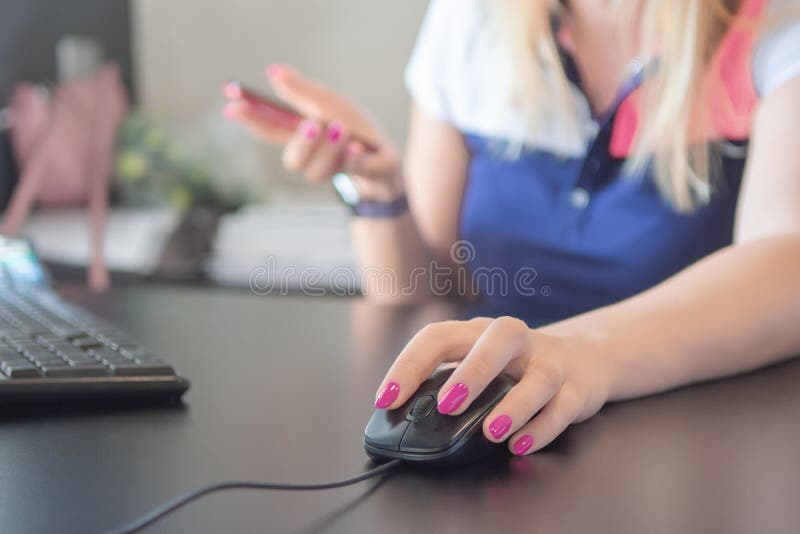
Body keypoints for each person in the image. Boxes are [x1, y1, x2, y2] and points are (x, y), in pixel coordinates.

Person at [224, 0, 800, 456]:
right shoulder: (473, 17)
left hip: (699, 444)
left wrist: (580, 352)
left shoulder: (777, 26)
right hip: (508, 425)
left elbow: (786, 262)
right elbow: (429, 295)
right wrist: (378, 194)